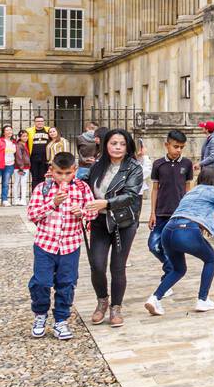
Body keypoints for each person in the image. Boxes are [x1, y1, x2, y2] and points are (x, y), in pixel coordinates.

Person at [146, 166, 214, 315]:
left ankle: (154, 298)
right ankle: (202, 300)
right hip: (186, 230)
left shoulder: (192, 192)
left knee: (178, 269)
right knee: (210, 258)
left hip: (168, 230)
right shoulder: (211, 191)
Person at [26, 151, 97, 340]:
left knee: (67, 283)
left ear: (75, 170)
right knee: (41, 282)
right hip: (45, 244)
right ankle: (40, 314)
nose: (63, 177)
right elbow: (33, 214)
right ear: (52, 170)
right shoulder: (43, 188)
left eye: (67, 173)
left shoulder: (82, 188)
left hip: (70, 244)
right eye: (59, 173)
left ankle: (61, 320)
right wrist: (52, 203)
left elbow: (93, 213)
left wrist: (82, 213)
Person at [84, 129, 144, 328]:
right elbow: (84, 187)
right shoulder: (97, 166)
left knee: (117, 267)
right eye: (113, 143)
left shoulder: (134, 168)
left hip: (123, 223)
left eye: (122, 144)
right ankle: (102, 300)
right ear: (105, 145)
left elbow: (131, 195)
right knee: (97, 265)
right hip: (100, 222)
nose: (117, 147)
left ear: (128, 147)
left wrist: (106, 203)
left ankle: (116, 307)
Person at [148, 129, 193, 307]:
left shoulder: (187, 164)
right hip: (161, 213)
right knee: (153, 246)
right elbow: (155, 189)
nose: (178, 150)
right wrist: (152, 212)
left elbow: (188, 188)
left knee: (175, 248)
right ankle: (170, 269)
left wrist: (189, 211)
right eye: (176, 146)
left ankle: (168, 279)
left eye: (181, 147)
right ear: (167, 145)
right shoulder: (158, 164)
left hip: (179, 215)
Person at [25, 115, 52, 185]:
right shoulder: (29, 131)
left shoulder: (48, 130)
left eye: (41, 121)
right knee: (35, 177)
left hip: (45, 158)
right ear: (34, 122)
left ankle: (43, 194)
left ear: (44, 122)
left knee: (44, 177)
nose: (40, 123)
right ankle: (35, 193)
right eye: (38, 121)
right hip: (33, 158)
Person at [12, 131, 31, 206]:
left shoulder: (26, 144)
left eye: (26, 136)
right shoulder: (19, 145)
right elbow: (18, 157)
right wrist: (21, 167)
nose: (25, 137)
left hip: (24, 166)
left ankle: (21, 199)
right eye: (23, 136)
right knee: (18, 183)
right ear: (20, 137)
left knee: (22, 183)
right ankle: (17, 200)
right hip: (20, 167)